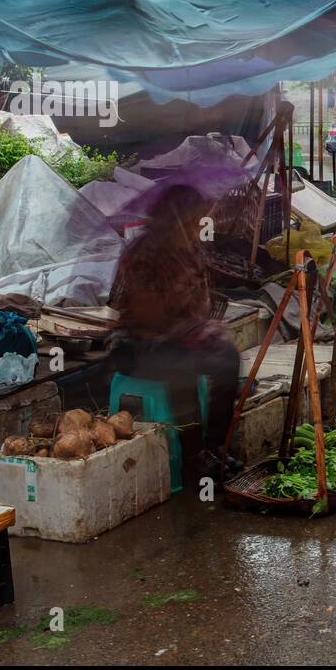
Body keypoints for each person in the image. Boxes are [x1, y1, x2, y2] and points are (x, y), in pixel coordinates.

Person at [109, 184, 240, 479]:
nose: (200, 225)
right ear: (175, 219)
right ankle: (193, 455)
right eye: (194, 219)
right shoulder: (144, 255)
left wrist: (200, 320)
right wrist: (180, 305)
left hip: (179, 337)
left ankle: (216, 445)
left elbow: (201, 304)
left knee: (228, 357)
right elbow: (148, 318)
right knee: (181, 368)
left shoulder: (190, 251)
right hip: (137, 345)